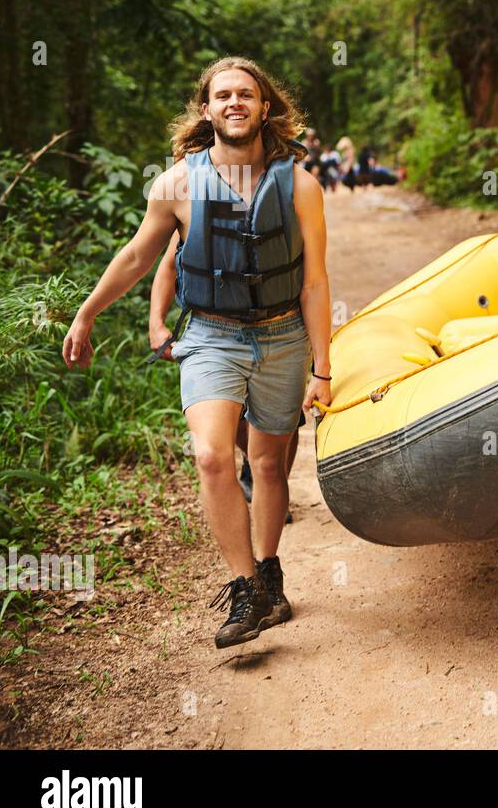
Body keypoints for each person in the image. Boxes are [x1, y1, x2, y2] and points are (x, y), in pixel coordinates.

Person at [62, 56, 333, 649]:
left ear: (265, 107)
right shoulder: (177, 184)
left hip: (283, 334)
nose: (234, 103)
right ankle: (244, 590)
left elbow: (314, 282)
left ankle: (269, 571)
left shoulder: (301, 186)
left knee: (267, 465)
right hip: (210, 334)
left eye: (246, 94)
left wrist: (323, 368)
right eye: (222, 95)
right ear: (206, 110)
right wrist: (87, 313)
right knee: (213, 457)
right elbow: (137, 257)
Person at [148, 235, 301, 525]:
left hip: (279, 329)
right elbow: (169, 263)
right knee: (231, 419)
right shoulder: (198, 197)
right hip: (216, 335)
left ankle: (271, 484)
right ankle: (257, 474)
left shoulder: (283, 192)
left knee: (283, 430)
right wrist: (156, 322)